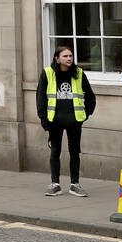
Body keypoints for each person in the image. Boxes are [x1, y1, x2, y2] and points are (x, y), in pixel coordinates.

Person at [36, 45, 96, 198]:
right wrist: (44, 120)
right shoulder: (48, 73)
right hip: (54, 121)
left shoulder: (79, 74)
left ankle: (75, 184)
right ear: (57, 58)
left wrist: (85, 115)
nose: (69, 59)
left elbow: (90, 96)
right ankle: (55, 184)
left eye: (70, 56)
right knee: (55, 151)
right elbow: (41, 99)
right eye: (65, 56)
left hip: (74, 121)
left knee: (75, 152)